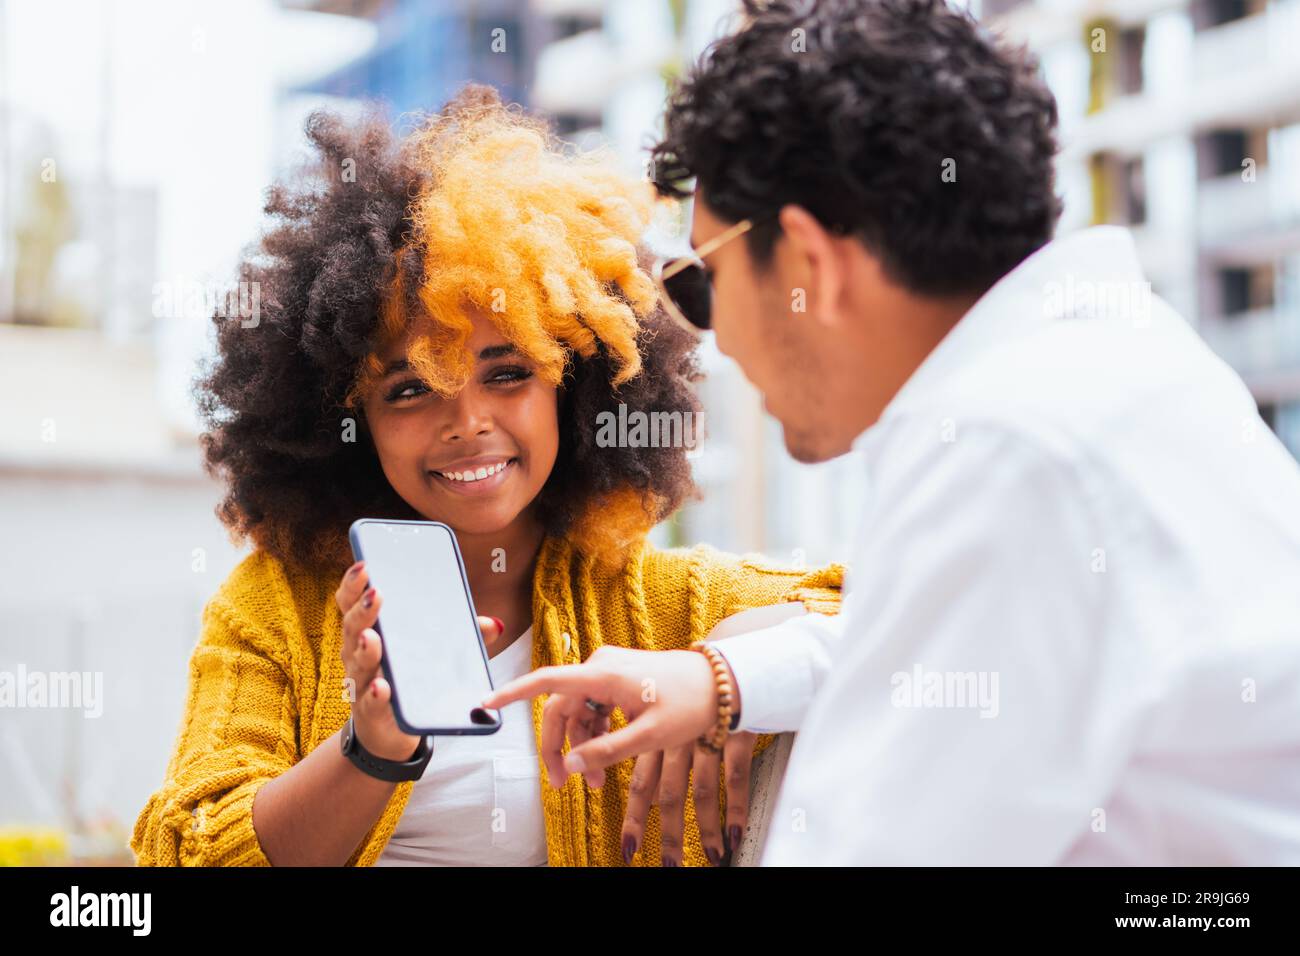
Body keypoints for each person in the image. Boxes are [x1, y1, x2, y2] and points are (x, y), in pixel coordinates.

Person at [482, 0, 1300, 864]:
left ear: (807, 264)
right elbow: (975, 660)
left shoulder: (1012, 449)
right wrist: (727, 679)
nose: (711, 336)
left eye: (703, 283)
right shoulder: (1101, 369)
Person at [130, 86, 845, 868]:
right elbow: (189, 852)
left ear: (574, 389)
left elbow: (919, 615)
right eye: (408, 390)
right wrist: (375, 745)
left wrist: (723, 669)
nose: (467, 421)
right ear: (345, 420)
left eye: (506, 374)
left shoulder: (667, 607)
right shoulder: (275, 610)